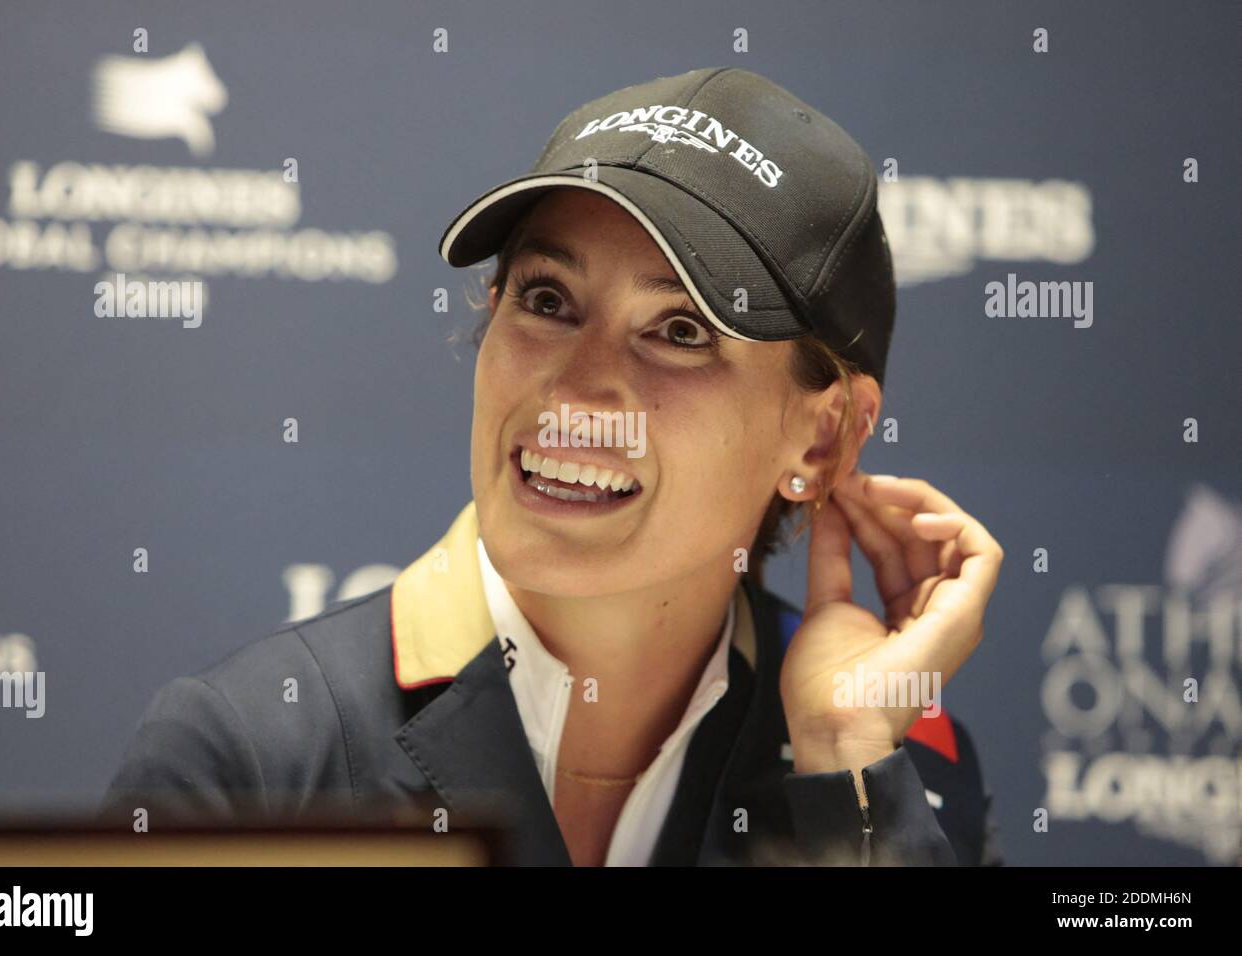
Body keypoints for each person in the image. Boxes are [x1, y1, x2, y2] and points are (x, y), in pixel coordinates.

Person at [101, 67, 1006, 866]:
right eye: (547, 300)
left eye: (680, 332)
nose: (575, 392)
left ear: (824, 438)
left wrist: (843, 761)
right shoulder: (258, 755)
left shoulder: (894, 765)